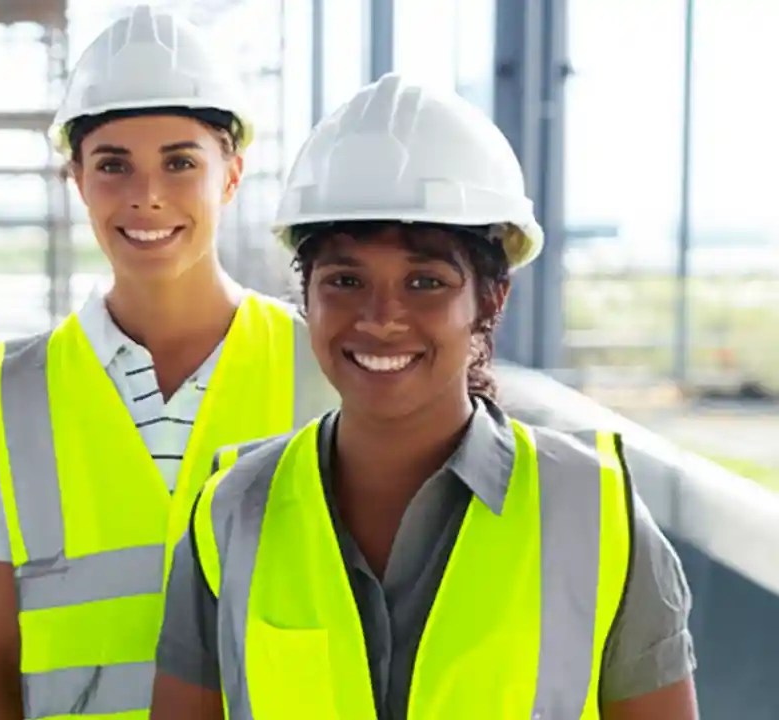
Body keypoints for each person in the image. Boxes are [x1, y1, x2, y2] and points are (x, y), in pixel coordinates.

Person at [151, 73, 698, 720]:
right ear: (306, 297)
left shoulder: (594, 515)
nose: (381, 318)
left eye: (425, 282)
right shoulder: (232, 512)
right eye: (345, 281)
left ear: (490, 300)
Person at [0, 5, 337, 718]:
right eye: (113, 165)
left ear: (232, 175)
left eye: (180, 163)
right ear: (76, 178)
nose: (147, 196)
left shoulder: (319, 370)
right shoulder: (10, 396)